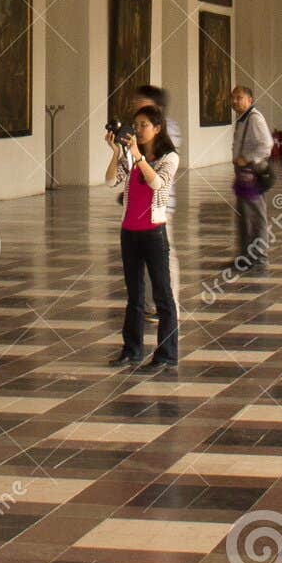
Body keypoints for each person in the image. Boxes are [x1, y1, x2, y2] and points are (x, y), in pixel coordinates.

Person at [105, 104, 180, 373]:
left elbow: (158, 183)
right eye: (135, 125)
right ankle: (132, 350)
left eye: (144, 125)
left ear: (157, 128)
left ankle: (167, 354)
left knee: (162, 295)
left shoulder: (169, 158)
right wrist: (118, 154)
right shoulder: (130, 156)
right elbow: (111, 181)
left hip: (153, 232)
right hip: (129, 232)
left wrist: (138, 157)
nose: (137, 130)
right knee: (134, 294)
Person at [129, 84, 181, 323]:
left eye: (143, 103)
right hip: (139, 208)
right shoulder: (141, 131)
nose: (137, 107)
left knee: (163, 259)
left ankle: (168, 305)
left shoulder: (166, 130)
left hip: (159, 206)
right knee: (146, 259)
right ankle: (151, 305)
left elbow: (160, 174)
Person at [230, 84, 274, 272]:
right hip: (243, 173)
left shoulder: (254, 118)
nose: (234, 101)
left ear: (250, 100)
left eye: (239, 97)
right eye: (233, 97)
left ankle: (259, 257)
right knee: (244, 215)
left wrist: (247, 159)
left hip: (251, 173)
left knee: (255, 215)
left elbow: (266, 144)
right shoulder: (243, 119)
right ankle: (245, 256)